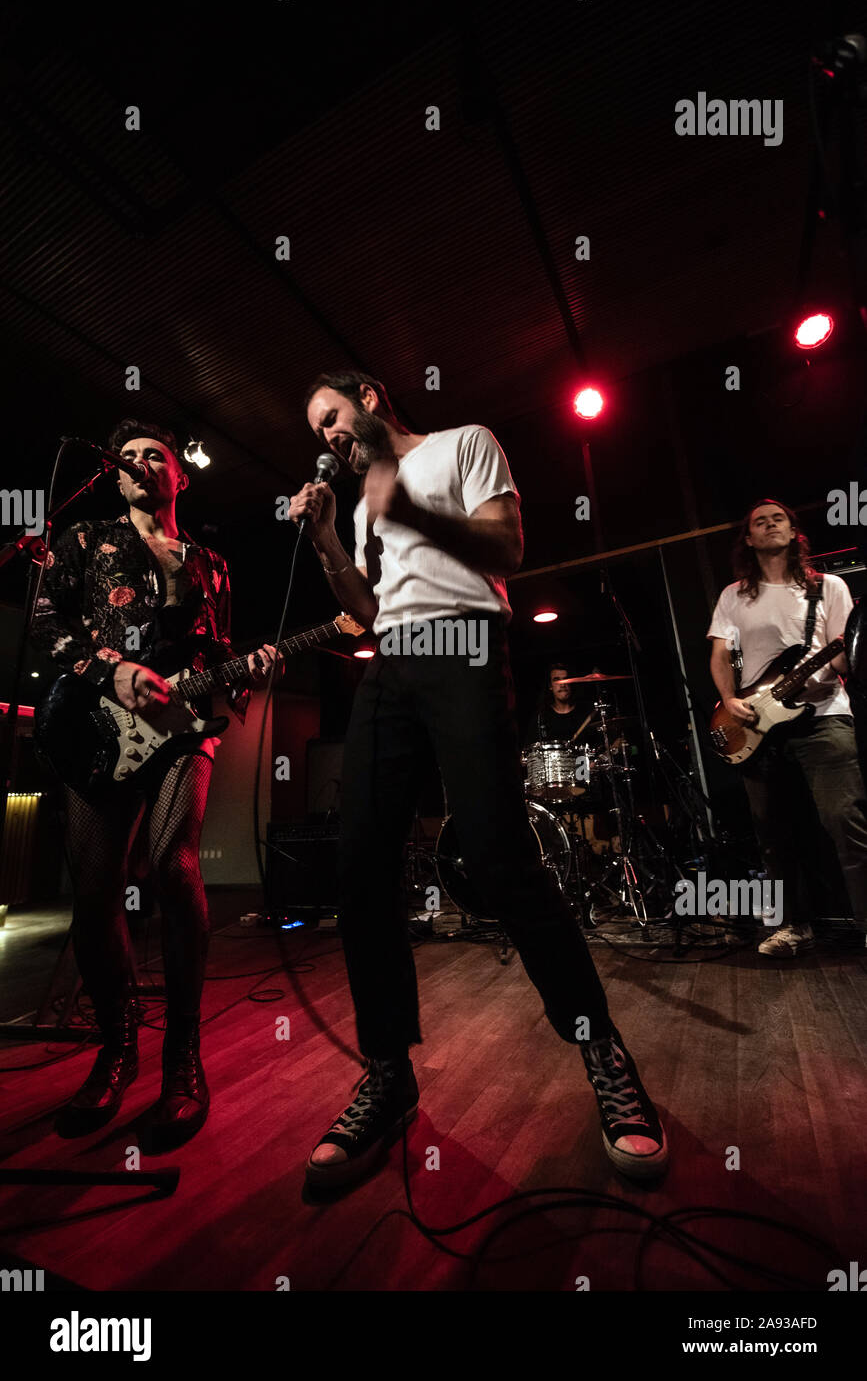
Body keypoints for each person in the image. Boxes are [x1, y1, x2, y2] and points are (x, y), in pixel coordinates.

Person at [288, 370, 668, 1187]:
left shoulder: (463, 444)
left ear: (370, 396)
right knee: (358, 871)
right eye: (315, 431)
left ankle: (601, 1048)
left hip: (461, 642)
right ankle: (388, 1074)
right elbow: (364, 607)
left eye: (330, 416)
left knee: (498, 861)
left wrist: (409, 506)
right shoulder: (359, 504)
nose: (325, 436)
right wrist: (327, 538)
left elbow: (506, 547)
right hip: (392, 660)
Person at [30, 418, 279, 1148]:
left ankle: (182, 1061)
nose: (137, 463)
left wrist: (250, 673)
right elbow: (49, 625)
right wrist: (112, 672)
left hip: (181, 732)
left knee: (174, 868)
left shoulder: (213, 563)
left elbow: (218, 649)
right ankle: (116, 1050)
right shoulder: (81, 541)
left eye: (153, 455)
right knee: (97, 890)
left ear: (180, 476)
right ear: (114, 475)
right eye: (127, 457)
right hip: (94, 729)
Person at [708, 497, 867, 956]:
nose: (770, 524)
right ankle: (793, 925)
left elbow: (842, 655)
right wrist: (730, 699)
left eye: (779, 518)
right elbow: (719, 655)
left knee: (845, 817)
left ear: (793, 531)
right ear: (749, 538)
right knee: (772, 832)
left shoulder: (828, 586)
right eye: (760, 520)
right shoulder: (733, 596)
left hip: (823, 715)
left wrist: (837, 661)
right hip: (759, 724)